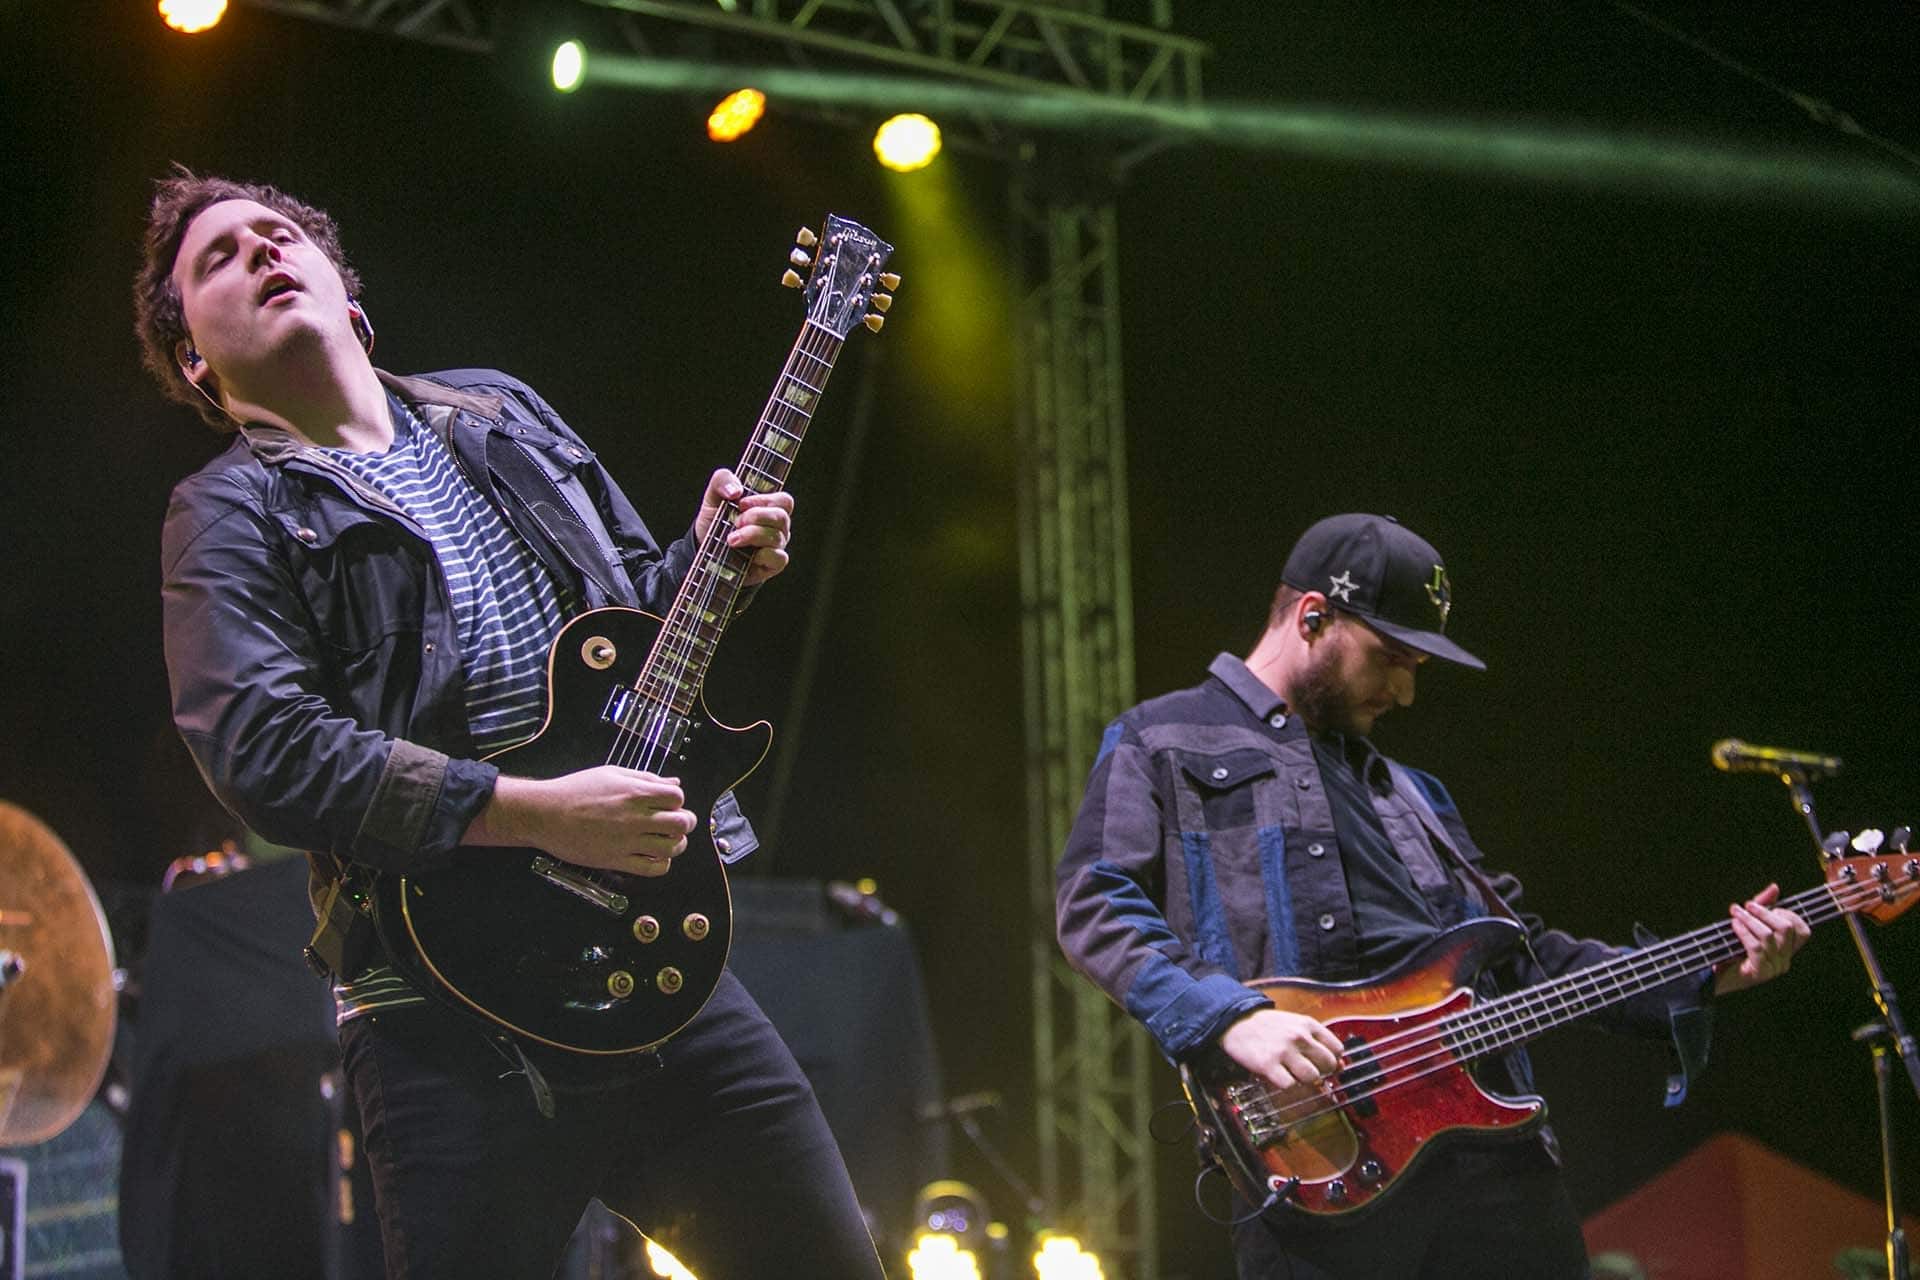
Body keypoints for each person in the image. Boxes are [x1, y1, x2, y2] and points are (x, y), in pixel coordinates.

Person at [136, 168, 886, 1279]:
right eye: (219, 257)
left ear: (348, 289)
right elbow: (262, 746)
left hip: (652, 961)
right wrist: (532, 814)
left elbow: (635, 609)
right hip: (441, 1011)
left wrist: (711, 561)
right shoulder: (229, 511)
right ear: (196, 357)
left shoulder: (501, 410)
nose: (259, 253)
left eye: (280, 233)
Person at [1054, 512, 1811, 1279]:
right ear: (1314, 616)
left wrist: (1707, 970)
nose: (1406, 692)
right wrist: (1231, 1020)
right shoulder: (1163, 741)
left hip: (1497, 1168)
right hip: (1321, 1168)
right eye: (1390, 659)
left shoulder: (1414, 795)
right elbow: (1094, 903)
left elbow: (1521, 954)